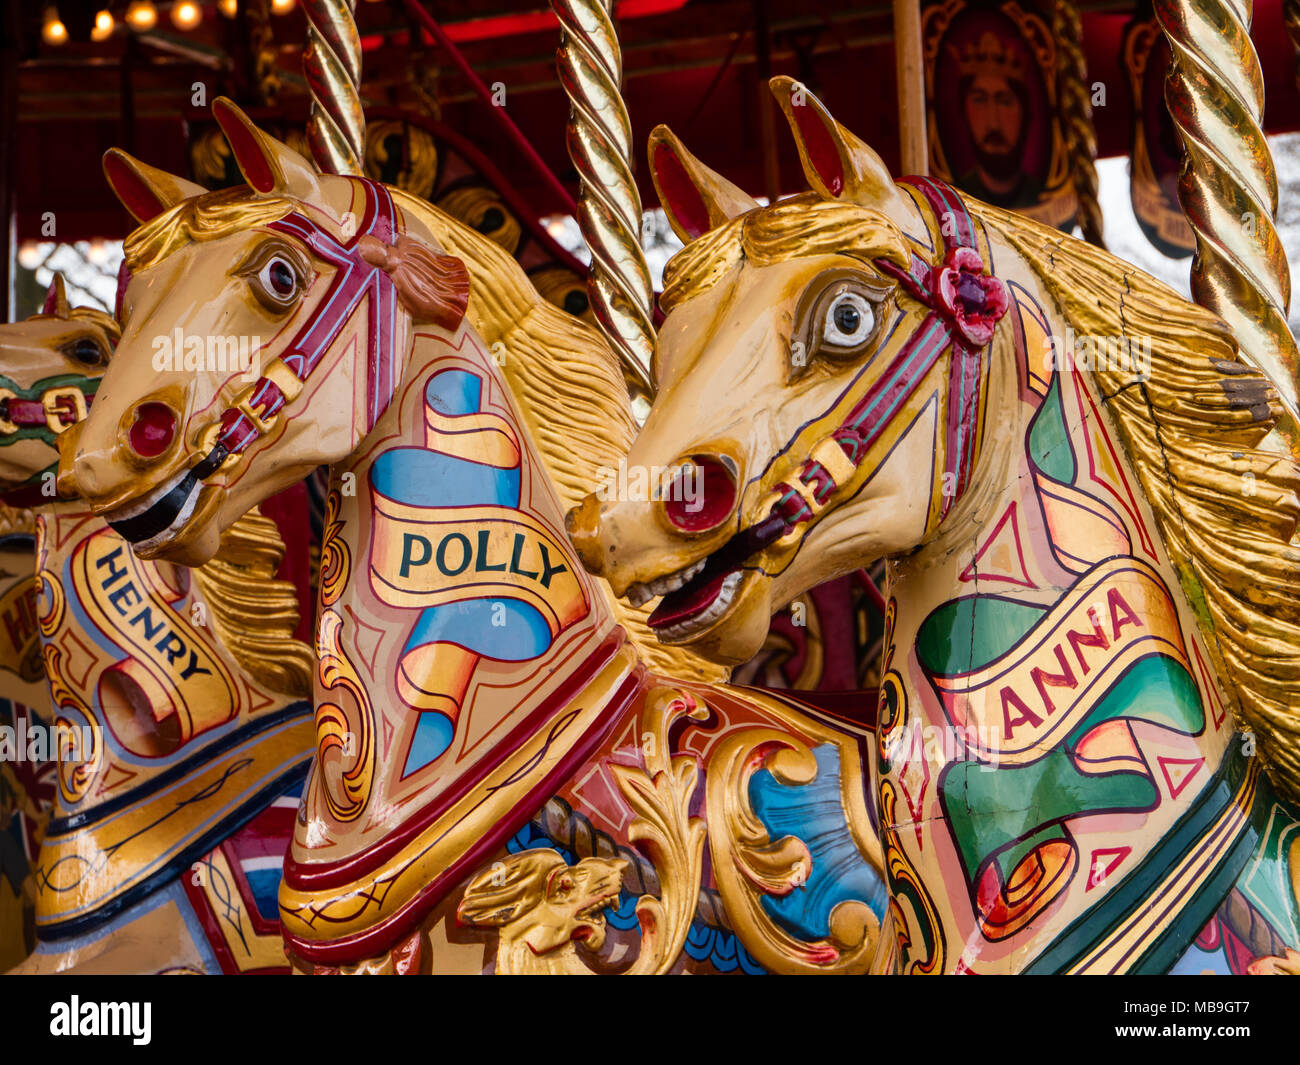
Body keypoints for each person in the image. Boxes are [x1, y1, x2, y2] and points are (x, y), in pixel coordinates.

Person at [950, 32, 1041, 207]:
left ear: (1025, 113)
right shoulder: (951, 200)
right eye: (979, 101)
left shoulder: (1042, 193)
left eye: (1005, 102)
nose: (993, 122)